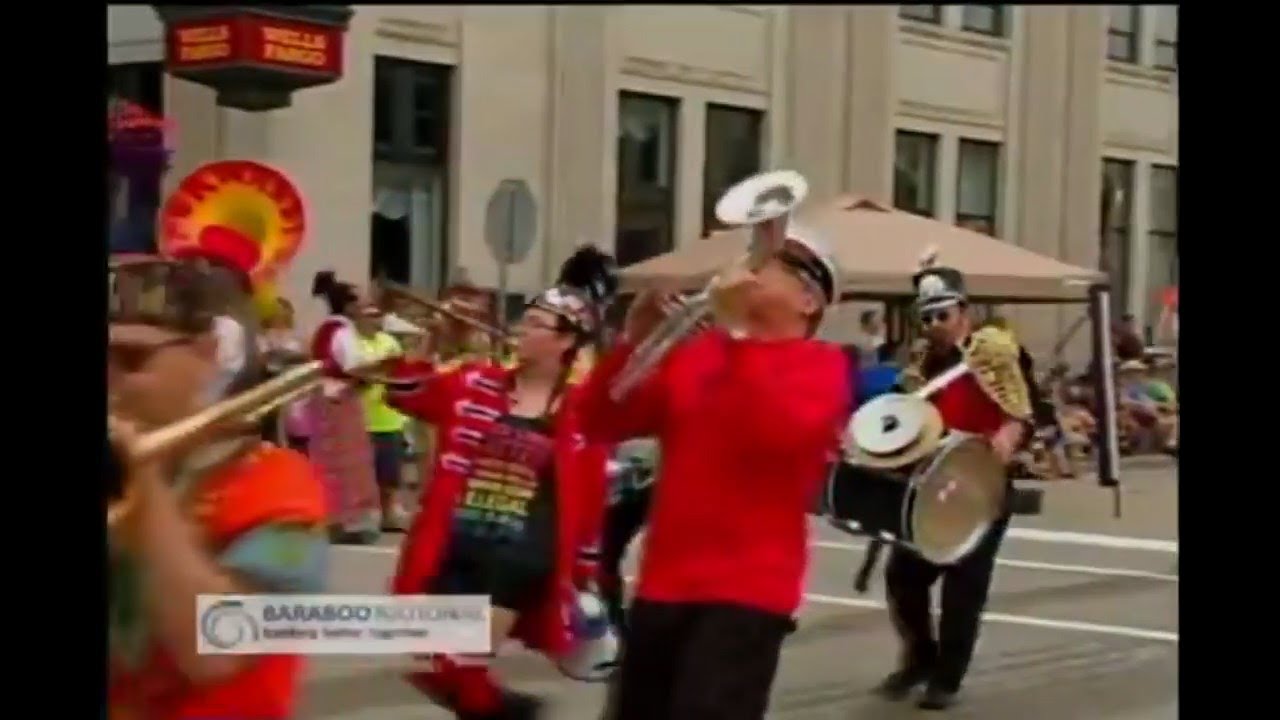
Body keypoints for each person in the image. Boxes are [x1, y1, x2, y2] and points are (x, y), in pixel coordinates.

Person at [581, 225, 849, 720]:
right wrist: (634, 341)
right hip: (664, 581)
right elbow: (601, 419)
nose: (746, 267)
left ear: (808, 299)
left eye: (768, 261)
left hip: (748, 589)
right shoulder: (700, 353)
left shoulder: (823, 365)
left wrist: (734, 333)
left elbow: (775, 429)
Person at [383, 247, 618, 720]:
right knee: (451, 665)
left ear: (565, 342)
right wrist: (433, 340)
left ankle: (500, 708)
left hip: (520, 559)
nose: (519, 331)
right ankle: (503, 711)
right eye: (522, 320)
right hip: (454, 546)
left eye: (534, 325)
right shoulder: (475, 383)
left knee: (462, 662)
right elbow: (404, 394)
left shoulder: (580, 412)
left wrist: (586, 572)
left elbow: (590, 496)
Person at [108, 241, 328, 720]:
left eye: (129, 359)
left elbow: (217, 652)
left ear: (209, 354)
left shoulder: (277, 483)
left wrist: (139, 481)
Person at [874, 249, 1044, 710]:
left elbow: (1028, 411)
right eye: (926, 317)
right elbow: (903, 413)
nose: (935, 325)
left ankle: (946, 678)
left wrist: (1011, 433)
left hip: (983, 481)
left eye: (943, 315)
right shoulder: (922, 361)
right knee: (903, 577)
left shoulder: (1000, 353)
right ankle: (920, 657)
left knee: (963, 585)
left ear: (964, 312)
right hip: (931, 480)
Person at [309, 271, 383, 544]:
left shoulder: (327, 329)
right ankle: (344, 520)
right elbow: (352, 365)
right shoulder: (341, 331)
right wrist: (380, 367)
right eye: (361, 302)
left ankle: (334, 517)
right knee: (346, 463)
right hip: (339, 399)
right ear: (350, 306)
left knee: (330, 461)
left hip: (327, 398)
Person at [354, 304, 413, 532]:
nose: (374, 321)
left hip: (389, 418)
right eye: (369, 316)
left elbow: (400, 371)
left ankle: (388, 515)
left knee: (388, 474)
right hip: (360, 418)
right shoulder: (353, 344)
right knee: (359, 473)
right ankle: (360, 517)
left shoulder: (390, 343)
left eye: (377, 316)